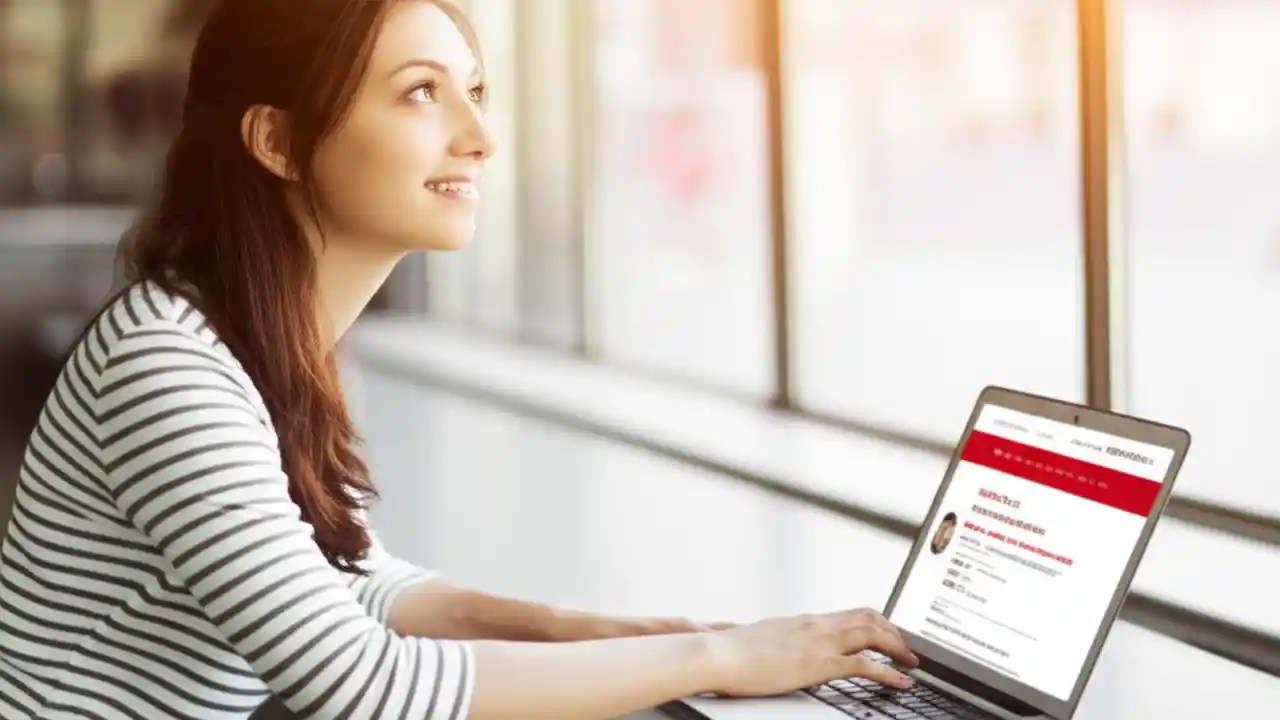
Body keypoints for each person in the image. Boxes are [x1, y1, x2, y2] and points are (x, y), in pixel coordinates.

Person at [0, 1, 919, 718]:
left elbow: (356, 582)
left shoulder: (265, 345)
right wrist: (719, 658)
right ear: (277, 139)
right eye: (418, 92)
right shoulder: (167, 364)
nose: (478, 136)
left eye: (474, 91)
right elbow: (358, 685)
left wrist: (586, 631)